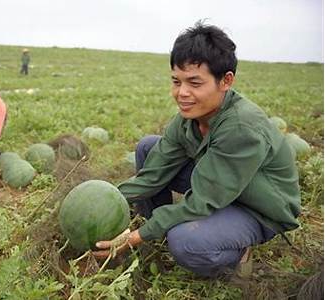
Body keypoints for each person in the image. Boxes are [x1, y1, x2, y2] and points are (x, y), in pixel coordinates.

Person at [94, 22, 301, 278]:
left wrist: (136, 236)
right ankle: (155, 229)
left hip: (258, 209)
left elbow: (203, 199)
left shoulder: (241, 127)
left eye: (194, 83)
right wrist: (103, 200)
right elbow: (151, 176)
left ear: (225, 81)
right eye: (176, 81)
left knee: (185, 242)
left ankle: (236, 254)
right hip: (221, 187)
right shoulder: (187, 120)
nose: (182, 93)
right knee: (150, 147)